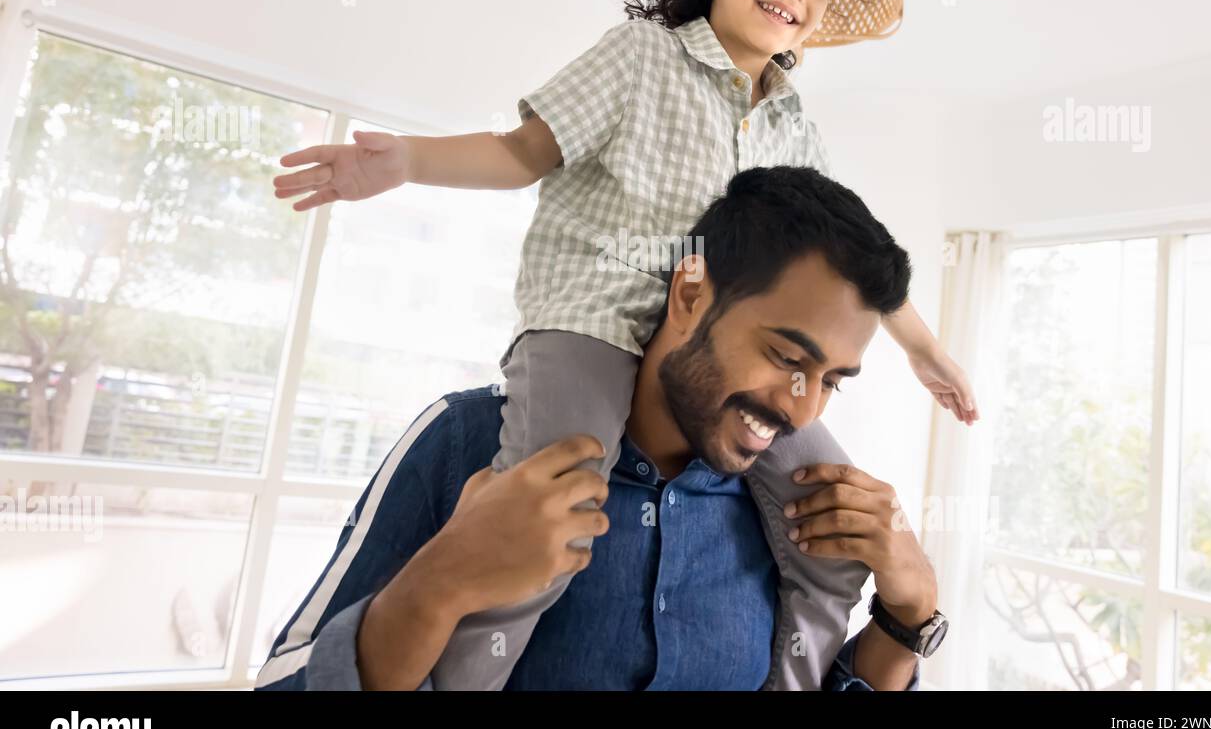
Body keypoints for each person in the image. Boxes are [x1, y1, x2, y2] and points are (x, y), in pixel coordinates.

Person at [271, 0, 976, 690]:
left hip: (710, 356)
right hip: (593, 323)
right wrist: (407, 162)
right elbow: (523, 152)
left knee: (826, 520)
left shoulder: (793, 127)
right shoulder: (642, 58)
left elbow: (850, 265)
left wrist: (923, 350)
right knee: (551, 513)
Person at [255, 166, 940, 691]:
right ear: (690, 294)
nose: (802, 408)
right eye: (787, 359)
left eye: (832, 380)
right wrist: (438, 583)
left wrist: (909, 611)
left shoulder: (795, 512)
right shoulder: (466, 443)